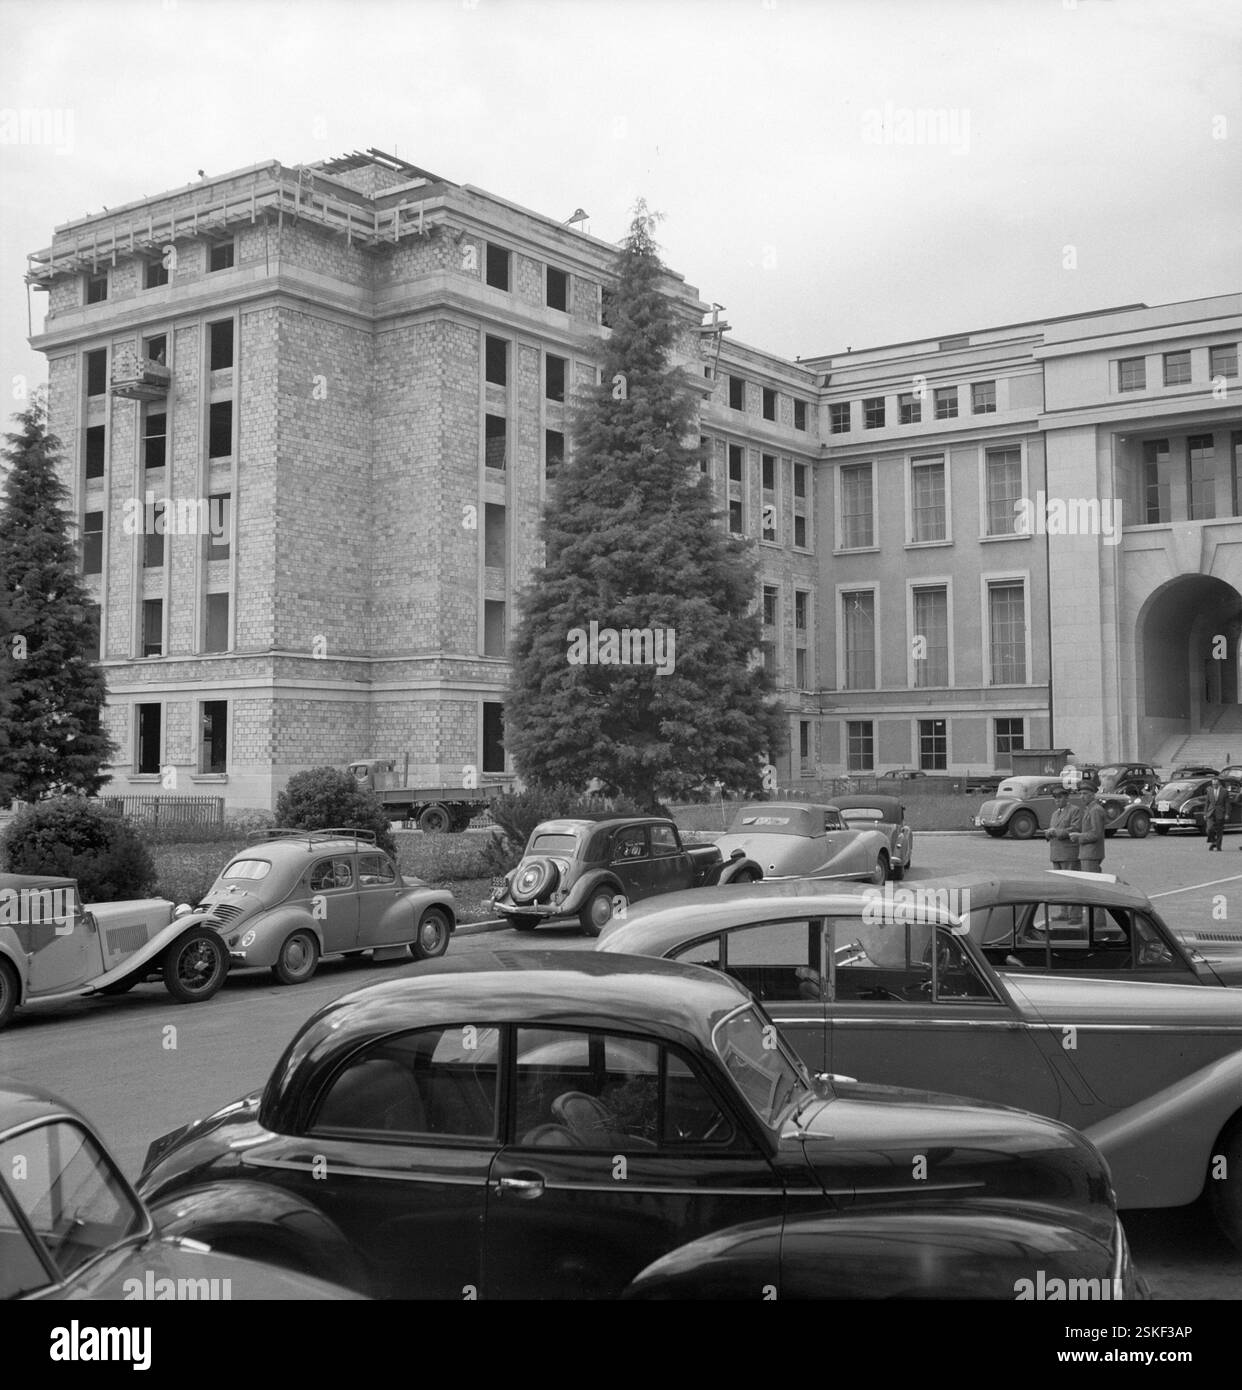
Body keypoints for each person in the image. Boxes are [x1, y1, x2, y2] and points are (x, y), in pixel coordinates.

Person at [1073, 795, 1107, 873]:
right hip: (1088, 854)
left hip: (1091, 854)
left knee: (1091, 881)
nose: (1081, 796)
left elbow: (1095, 834)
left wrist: (1078, 836)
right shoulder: (1090, 809)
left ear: (1093, 795)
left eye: (1085, 793)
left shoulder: (1095, 810)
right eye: (1080, 793)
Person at [1204, 774, 1228, 850]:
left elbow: (1227, 804)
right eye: (1213, 784)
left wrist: (1227, 813)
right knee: (1209, 829)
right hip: (1210, 812)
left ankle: (1218, 846)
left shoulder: (1224, 791)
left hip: (1220, 812)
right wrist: (1205, 813)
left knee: (1219, 830)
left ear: (1219, 783)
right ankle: (1214, 842)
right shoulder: (1209, 790)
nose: (1214, 785)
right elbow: (1207, 803)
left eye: (1216, 784)